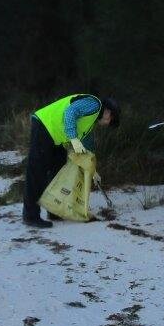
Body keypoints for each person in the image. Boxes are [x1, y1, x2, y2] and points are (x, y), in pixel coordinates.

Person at [23, 93, 120, 228]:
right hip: (45, 124)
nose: (108, 124)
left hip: (57, 138)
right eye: (111, 120)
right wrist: (73, 138)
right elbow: (70, 112)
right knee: (37, 171)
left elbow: (87, 148)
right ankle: (30, 216)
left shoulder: (90, 121)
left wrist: (93, 171)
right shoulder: (94, 104)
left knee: (59, 171)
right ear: (108, 112)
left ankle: (54, 210)